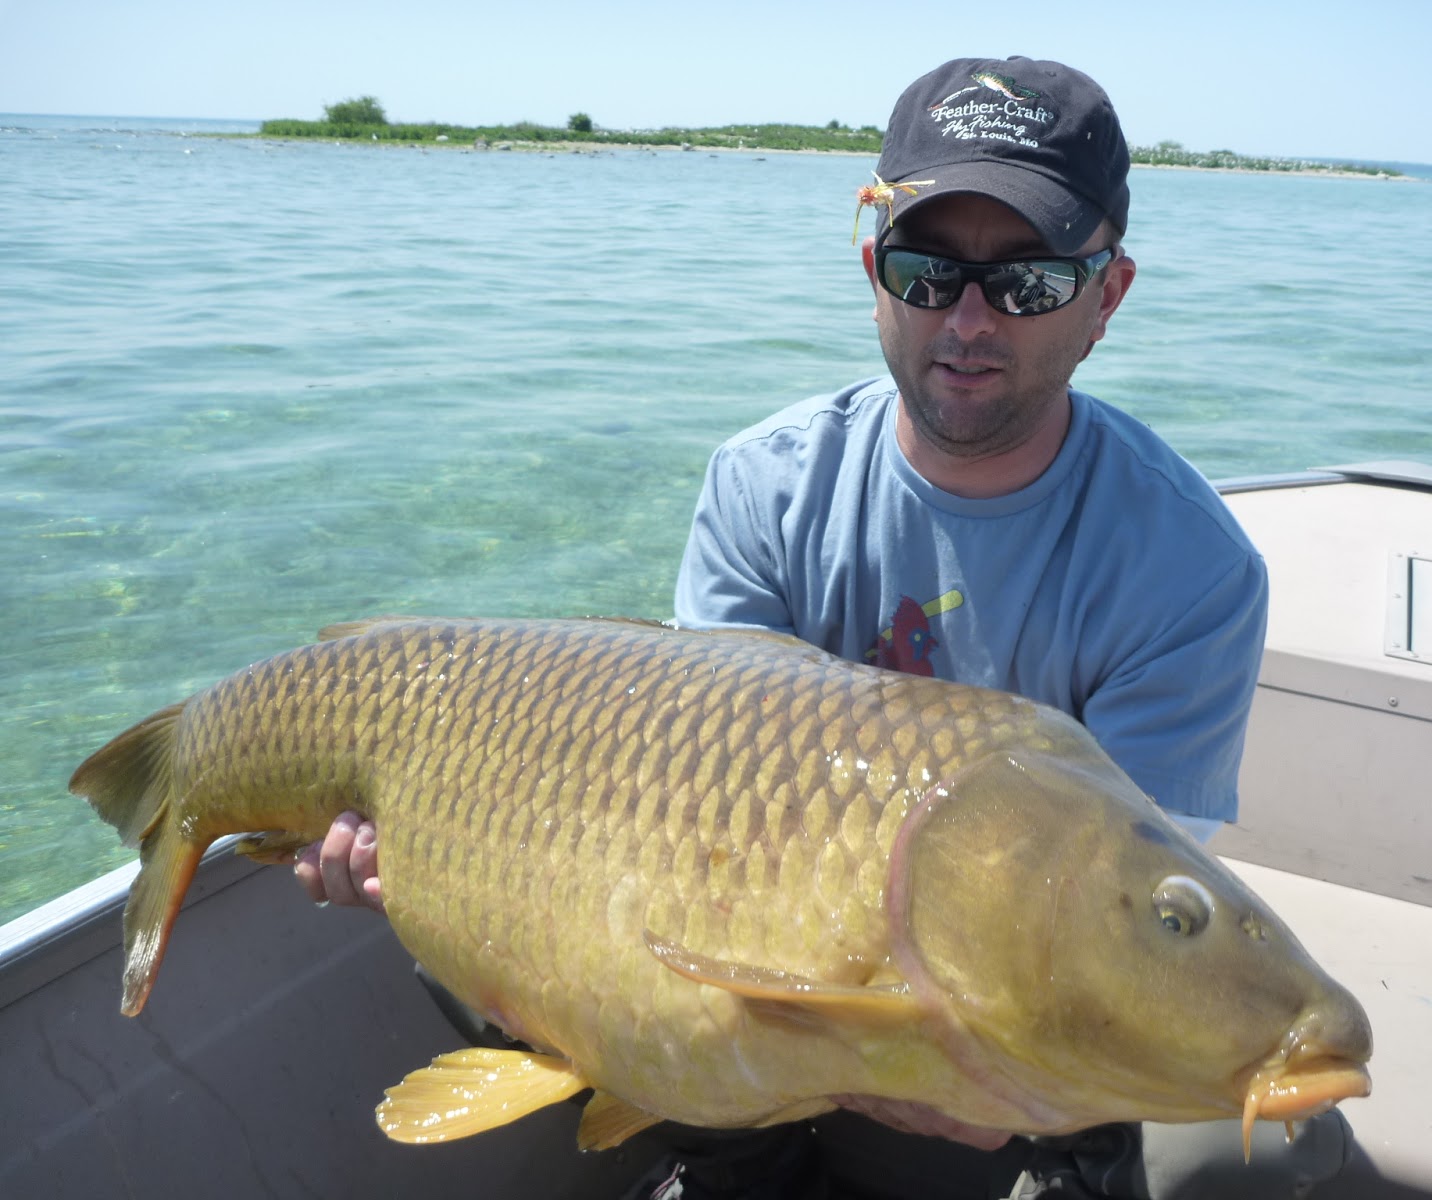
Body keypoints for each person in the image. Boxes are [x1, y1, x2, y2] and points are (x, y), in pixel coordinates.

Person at [298, 56, 1348, 1200]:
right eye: (925, 269)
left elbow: (1125, 909)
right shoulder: (764, 485)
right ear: (872, 274)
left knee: (1231, 1154)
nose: (968, 318)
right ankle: (724, 1154)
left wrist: (986, 1089)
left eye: (1030, 283)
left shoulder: (1190, 571)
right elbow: (672, 818)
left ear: (1107, 296)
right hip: (760, 986)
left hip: (1009, 1057)